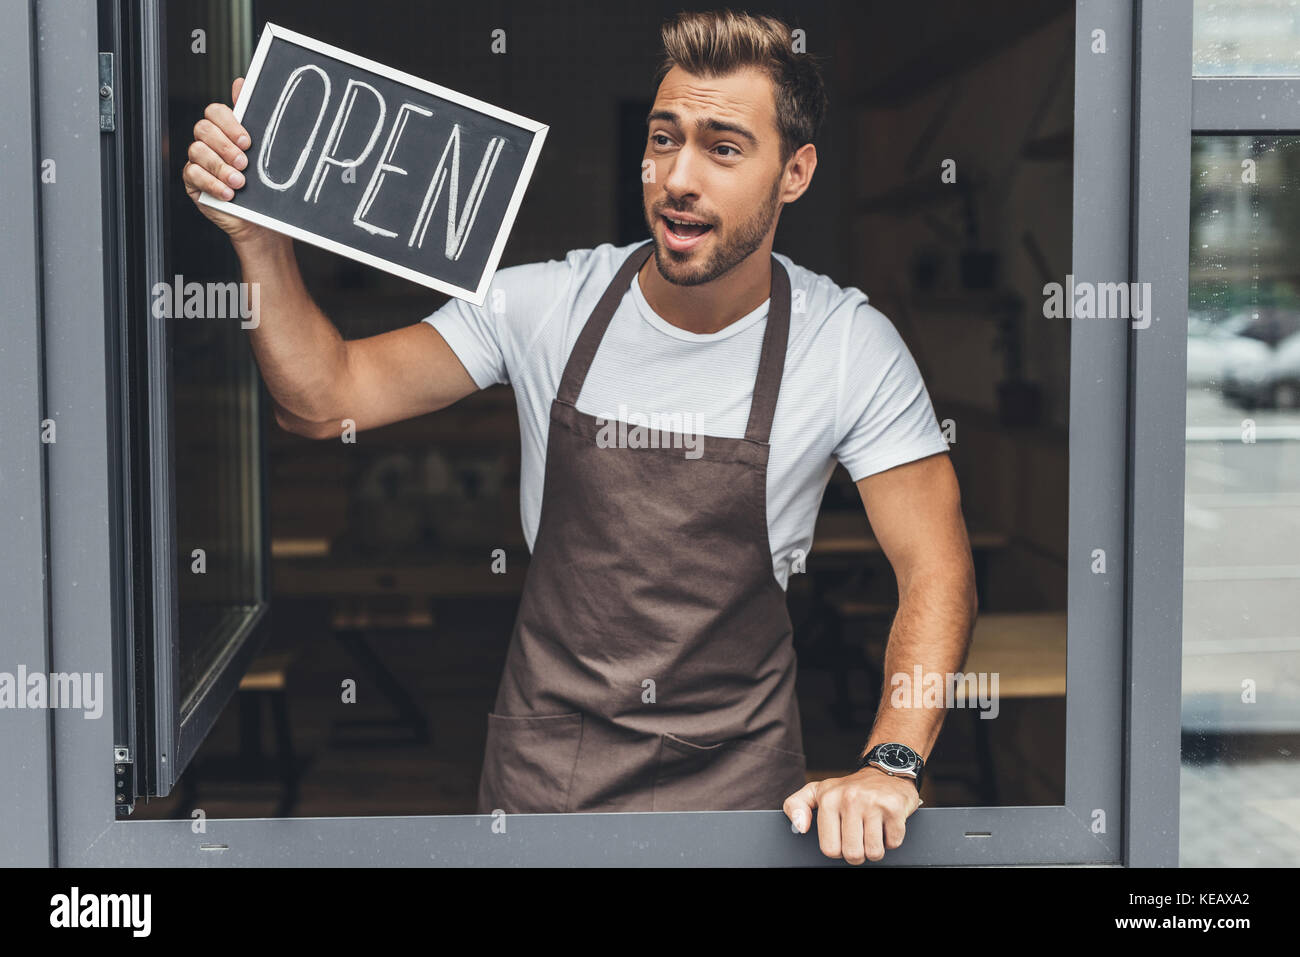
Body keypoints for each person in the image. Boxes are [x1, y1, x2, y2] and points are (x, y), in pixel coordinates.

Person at [181, 9, 977, 865]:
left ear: (796, 172)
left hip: (743, 787)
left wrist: (891, 759)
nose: (678, 176)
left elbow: (937, 567)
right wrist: (260, 243)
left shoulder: (846, 343)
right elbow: (325, 399)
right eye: (663, 138)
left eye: (723, 147)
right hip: (546, 774)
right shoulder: (545, 304)